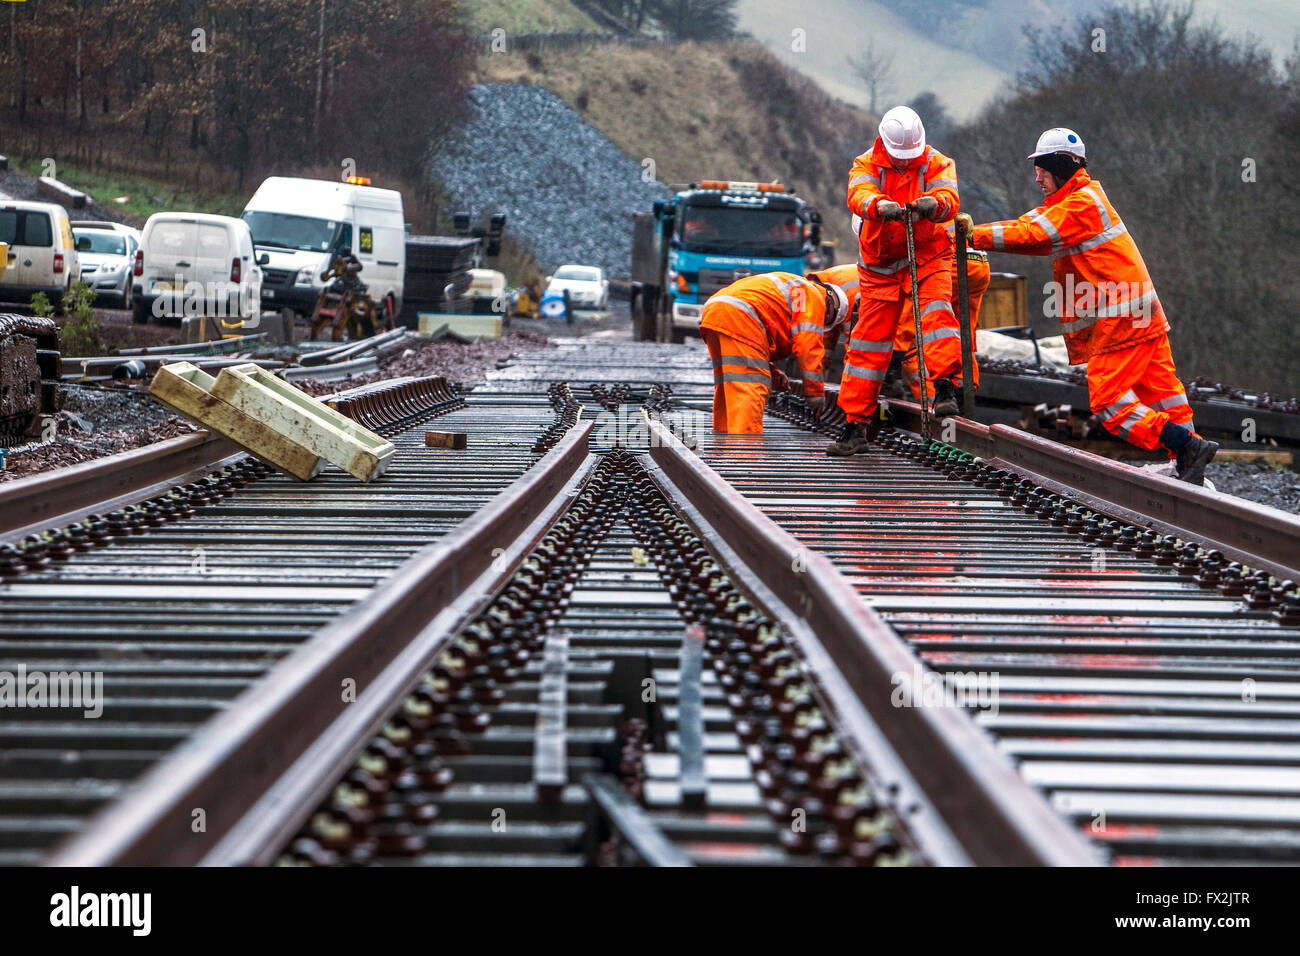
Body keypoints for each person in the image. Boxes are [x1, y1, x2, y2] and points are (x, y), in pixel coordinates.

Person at [963, 127, 1217, 484]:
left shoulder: (1081, 204)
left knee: (1109, 403)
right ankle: (1190, 464)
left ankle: (1186, 447)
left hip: (1122, 320)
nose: (1037, 176)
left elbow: (1033, 234)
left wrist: (970, 235)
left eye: (1042, 168)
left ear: (1060, 166)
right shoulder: (1077, 203)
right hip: (1143, 314)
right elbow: (1034, 233)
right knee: (1164, 394)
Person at [829, 106, 962, 456]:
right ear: (884, 145)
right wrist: (878, 206)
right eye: (899, 158)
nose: (905, 163)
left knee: (937, 317)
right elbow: (858, 195)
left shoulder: (938, 162)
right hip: (880, 264)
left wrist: (934, 204)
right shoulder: (866, 164)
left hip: (927, 255)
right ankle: (855, 424)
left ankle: (947, 388)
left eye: (910, 158)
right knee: (868, 345)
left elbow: (949, 197)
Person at [700, 272, 850, 433]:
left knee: (729, 385)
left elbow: (752, 354)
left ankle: (723, 440)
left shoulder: (795, 289)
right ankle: (743, 452)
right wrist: (814, 393)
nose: (820, 323)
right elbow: (808, 346)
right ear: (830, 307)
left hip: (715, 311)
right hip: (742, 314)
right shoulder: (814, 295)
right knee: (751, 387)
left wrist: (774, 373)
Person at [892, 219, 990, 409]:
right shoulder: (933, 206)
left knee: (926, 322)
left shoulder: (897, 225)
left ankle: (939, 396)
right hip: (978, 263)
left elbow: (905, 320)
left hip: (947, 259)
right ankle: (962, 386)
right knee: (963, 331)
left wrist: (895, 357)